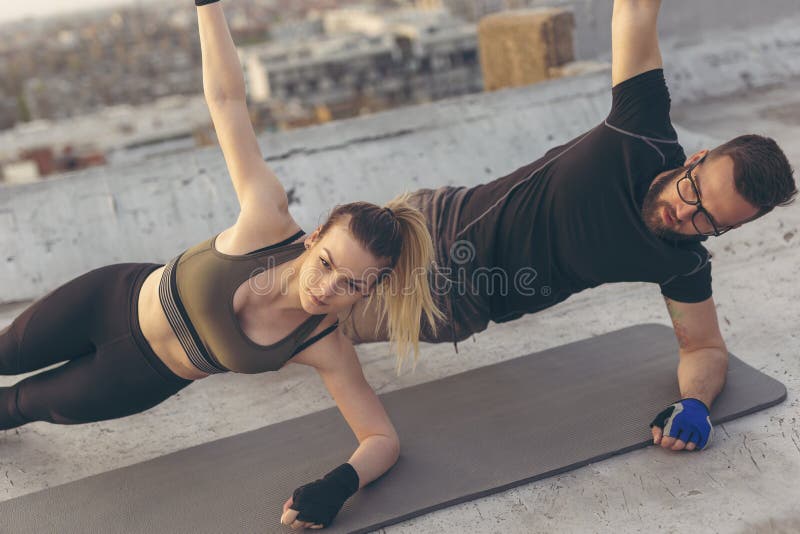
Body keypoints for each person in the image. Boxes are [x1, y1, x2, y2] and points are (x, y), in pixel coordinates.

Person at [0, 1, 442, 530]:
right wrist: (208, 6)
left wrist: (337, 485)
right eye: (326, 263)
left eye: (350, 285)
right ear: (315, 236)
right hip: (107, 300)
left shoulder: (323, 345)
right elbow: (228, 101)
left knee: (15, 406)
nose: (326, 289)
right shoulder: (265, 219)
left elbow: (382, 439)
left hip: (134, 379)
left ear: (368, 290)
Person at [342, 0, 797, 455]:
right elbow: (635, 9)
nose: (685, 213)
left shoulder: (682, 264)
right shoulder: (641, 128)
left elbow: (703, 349)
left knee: (306, 330)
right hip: (429, 223)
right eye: (692, 191)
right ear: (696, 160)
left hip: (445, 305)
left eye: (708, 221)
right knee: (280, 279)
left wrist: (695, 404)